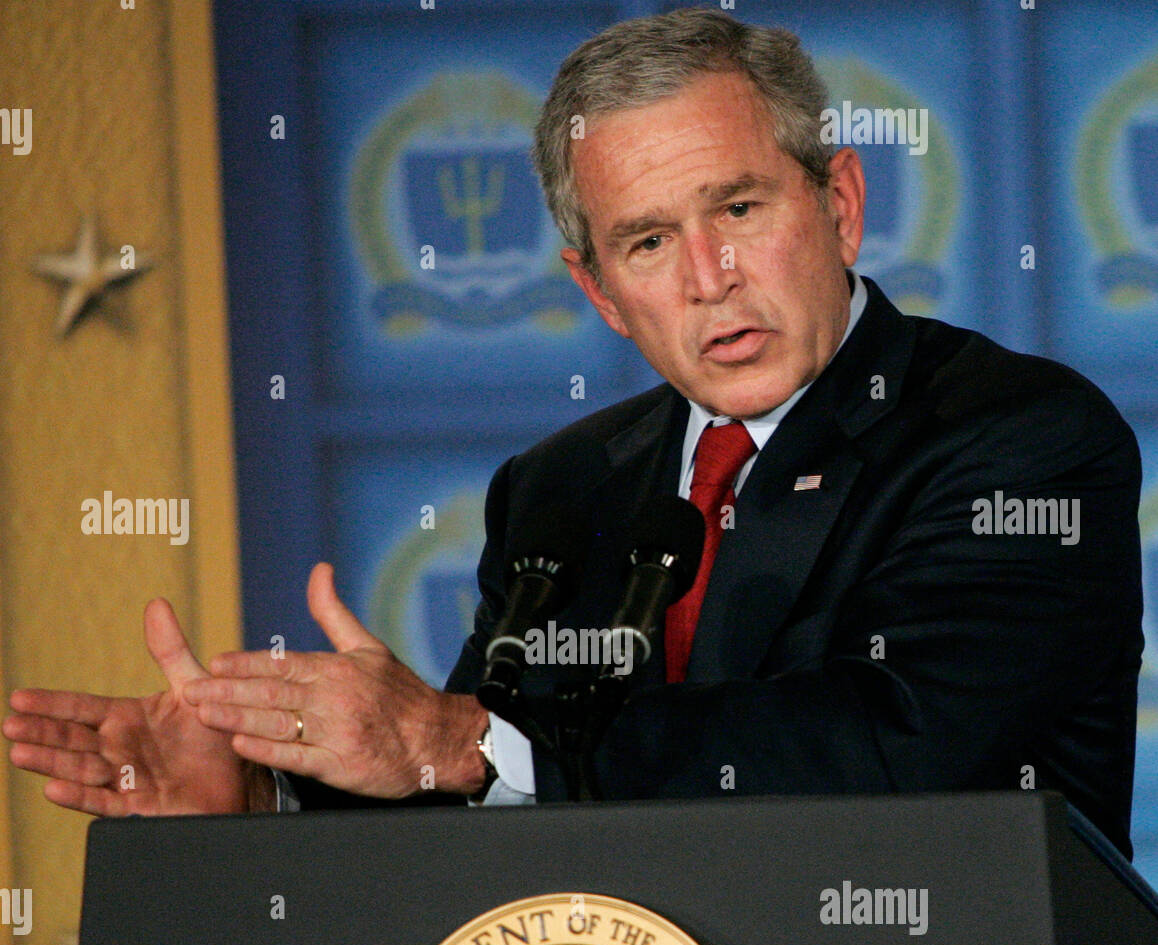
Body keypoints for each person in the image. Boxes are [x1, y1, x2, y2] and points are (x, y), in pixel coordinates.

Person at [3, 10, 1143, 856]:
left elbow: (901, 751)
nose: (710, 278)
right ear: (598, 292)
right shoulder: (560, 489)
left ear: (840, 204)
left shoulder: (1019, 439)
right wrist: (265, 799)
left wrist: (463, 741)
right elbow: (481, 801)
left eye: (739, 209)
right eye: (648, 242)